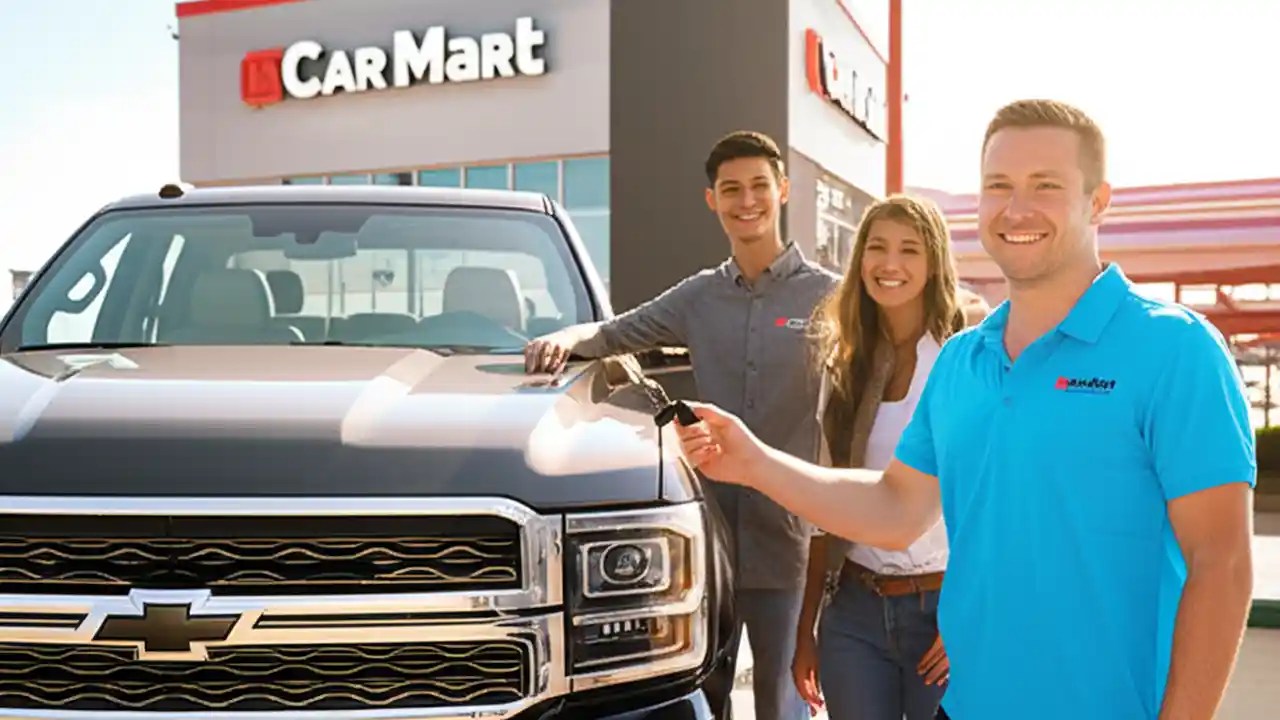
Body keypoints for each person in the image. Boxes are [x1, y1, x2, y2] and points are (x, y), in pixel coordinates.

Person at [673, 99, 1256, 720]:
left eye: (1046, 186)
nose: (1016, 208)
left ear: (1098, 201)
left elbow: (1220, 564)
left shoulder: (1176, 350)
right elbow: (895, 507)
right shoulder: (961, 362)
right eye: (998, 186)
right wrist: (755, 462)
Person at [524, 130, 839, 720]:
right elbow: (615, 333)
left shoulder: (830, 296)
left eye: (759, 187)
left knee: (781, 701)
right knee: (704, 700)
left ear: (784, 191)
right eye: (731, 190)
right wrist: (567, 338)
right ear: (711, 200)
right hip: (707, 540)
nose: (747, 201)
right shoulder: (698, 297)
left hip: (788, 541)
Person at [791, 195, 988, 720]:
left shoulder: (963, 358)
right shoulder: (845, 366)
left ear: (934, 263)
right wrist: (807, 627)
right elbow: (825, 506)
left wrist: (970, 611)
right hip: (856, 610)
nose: (890, 264)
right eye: (876, 248)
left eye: (909, 249)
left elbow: (995, 493)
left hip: (944, 607)